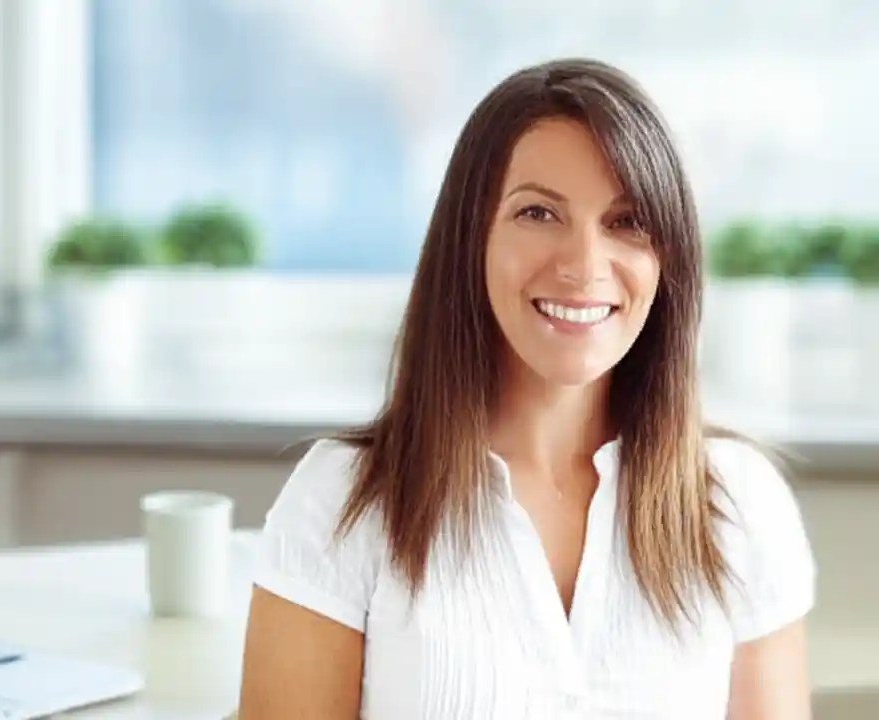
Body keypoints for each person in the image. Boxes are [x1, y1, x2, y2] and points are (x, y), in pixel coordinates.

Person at [237, 58, 815, 719]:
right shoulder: (342, 503)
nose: (582, 266)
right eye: (538, 212)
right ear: (470, 238)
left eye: (627, 221)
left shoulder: (740, 503)